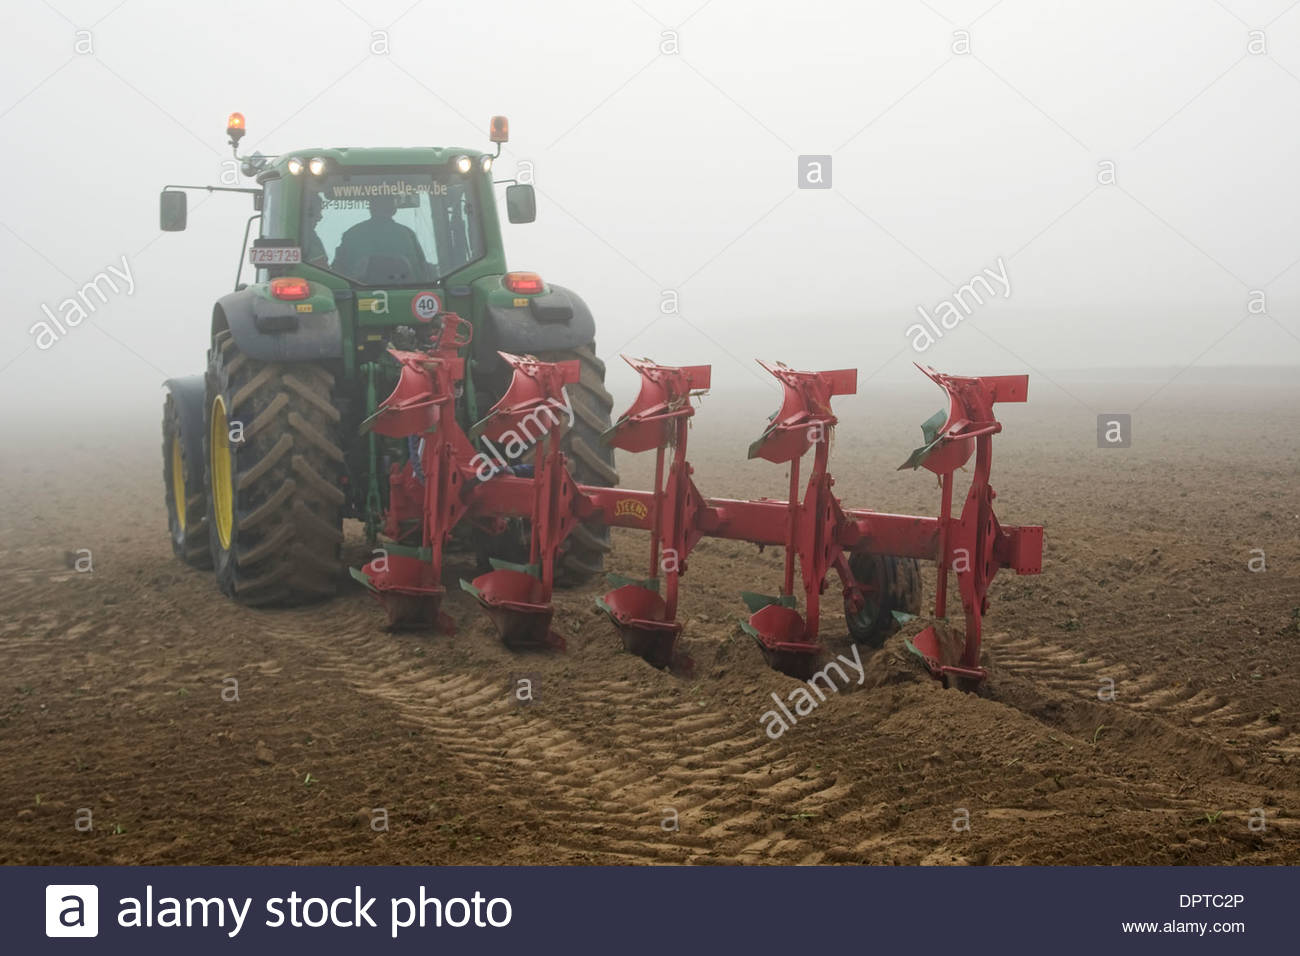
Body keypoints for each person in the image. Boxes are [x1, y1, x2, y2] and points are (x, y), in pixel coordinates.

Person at [331, 194, 429, 281]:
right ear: (394, 210)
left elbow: (339, 271)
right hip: (409, 293)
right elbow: (422, 272)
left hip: (356, 294)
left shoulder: (351, 234)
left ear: (371, 208)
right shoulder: (408, 234)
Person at [303, 193, 328, 268]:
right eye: (318, 211)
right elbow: (321, 267)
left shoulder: (306, 235)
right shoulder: (307, 238)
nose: (320, 217)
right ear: (307, 212)